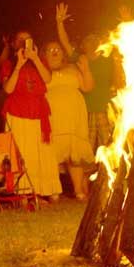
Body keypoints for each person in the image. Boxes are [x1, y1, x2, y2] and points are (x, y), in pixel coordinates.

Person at [0, 31, 62, 201]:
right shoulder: (8, 64)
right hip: (18, 111)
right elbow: (8, 89)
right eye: (20, 39)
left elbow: (47, 79)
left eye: (27, 39)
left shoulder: (39, 61)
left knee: (42, 151)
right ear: (13, 43)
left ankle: (44, 189)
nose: (23, 42)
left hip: (38, 111)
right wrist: (19, 65)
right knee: (23, 152)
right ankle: (23, 191)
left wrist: (34, 59)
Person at [57, 3, 125, 158]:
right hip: (86, 113)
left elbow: (119, 80)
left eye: (96, 39)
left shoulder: (108, 59)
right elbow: (65, 44)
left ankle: (110, 179)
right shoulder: (81, 59)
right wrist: (60, 22)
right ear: (83, 45)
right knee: (86, 152)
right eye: (89, 40)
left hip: (105, 111)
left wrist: (127, 21)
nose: (93, 42)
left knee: (110, 148)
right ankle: (90, 180)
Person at [42, 39, 94, 199]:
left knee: (75, 155)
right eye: (50, 50)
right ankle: (52, 190)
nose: (55, 51)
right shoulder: (41, 70)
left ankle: (78, 190)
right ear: (44, 55)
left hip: (74, 116)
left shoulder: (72, 68)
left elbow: (88, 87)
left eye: (57, 49)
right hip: (52, 116)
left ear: (63, 53)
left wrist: (85, 70)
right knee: (51, 154)